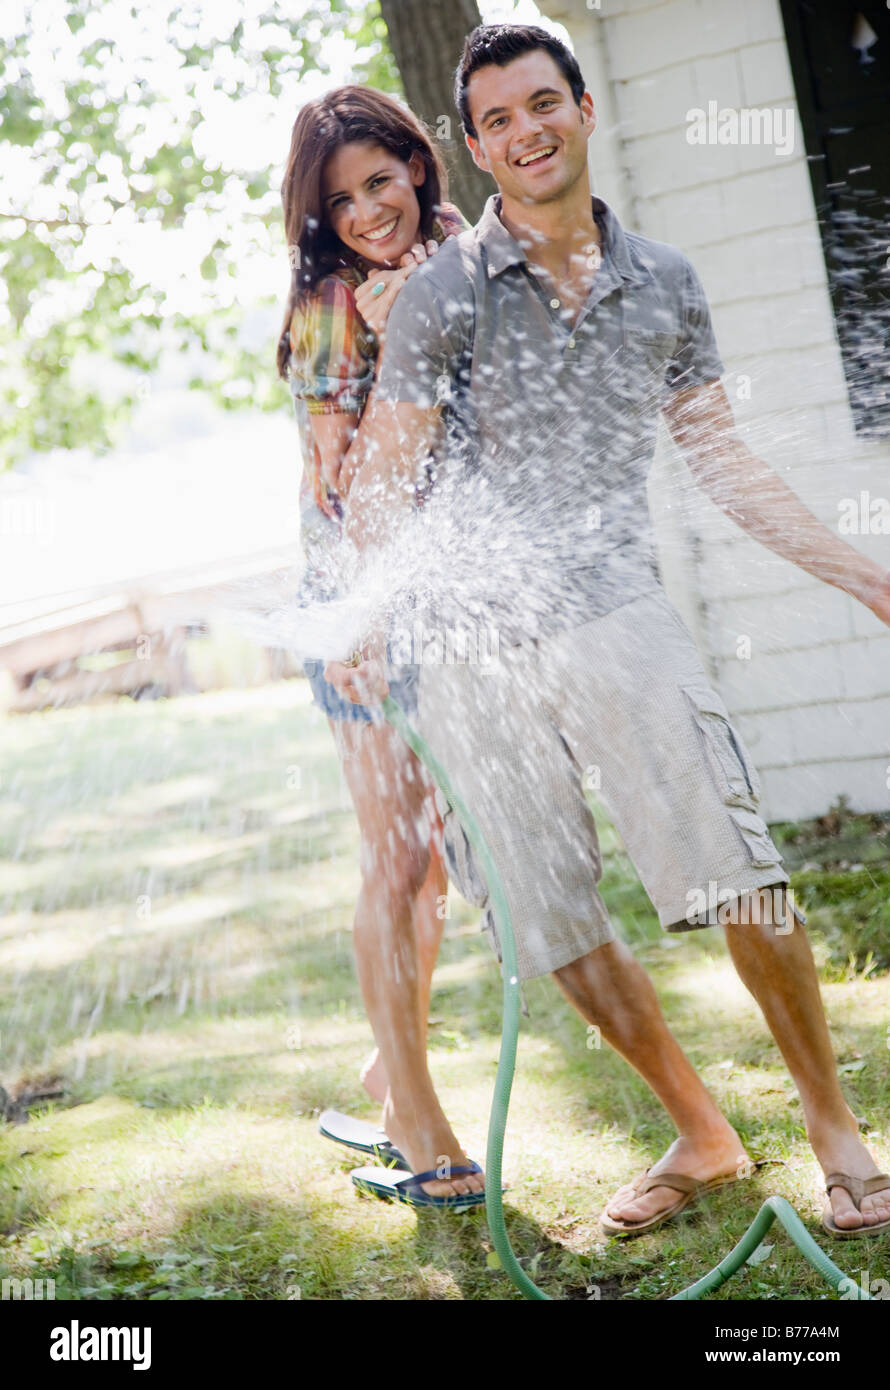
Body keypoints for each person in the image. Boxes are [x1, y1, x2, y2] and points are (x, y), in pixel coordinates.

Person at [326, 25, 890, 1237]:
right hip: (467, 652)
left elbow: (721, 458)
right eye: (497, 120)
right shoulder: (438, 291)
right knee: (548, 916)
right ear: (471, 147)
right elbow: (383, 470)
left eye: (544, 104)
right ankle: (698, 1131)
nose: (526, 132)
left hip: (617, 614)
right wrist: (367, 614)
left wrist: (859, 572)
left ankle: (836, 1129)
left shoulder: (666, 282)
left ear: (583, 108)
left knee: (736, 873)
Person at [278, 86, 484, 1202]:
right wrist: (358, 617)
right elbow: (335, 476)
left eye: (379, 180)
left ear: (417, 164)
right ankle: (417, 1124)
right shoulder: (326, 301)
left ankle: (381, 1060)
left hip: (441, 607)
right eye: (339, 198)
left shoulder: (458, 248)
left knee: (439, 864)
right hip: (354, 608)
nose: (365, 211)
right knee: (393, 856)